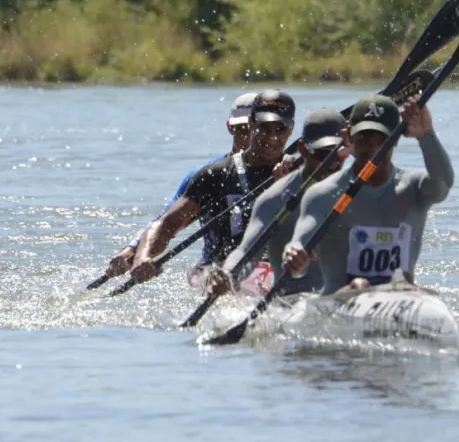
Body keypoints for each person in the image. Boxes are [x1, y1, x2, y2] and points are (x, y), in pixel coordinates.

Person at [281, 94, 453, 295]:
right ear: (349, 137)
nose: (373, 147)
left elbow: (444, 185)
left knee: (403, 283)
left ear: (396, 139)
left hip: (402, 295)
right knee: (359, 285)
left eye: (382, 140)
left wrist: (426, 135)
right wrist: (293, 255)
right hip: (340, 300)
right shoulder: (323, 194)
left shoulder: (414, 188)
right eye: (364, 137)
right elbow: (299, 250)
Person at [128, 89, 296, 283]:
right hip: (219, 274)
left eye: (280, 129)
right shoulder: (215, 175)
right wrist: (142, 257)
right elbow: (166, 225)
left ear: (291, 130)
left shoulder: (302, 174)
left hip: (278, 271)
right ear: (251, 123)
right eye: (264, 127)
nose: (271, 137)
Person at [103, 91, 256, 279]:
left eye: (256, 128)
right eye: (241, 129)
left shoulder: (291, 173)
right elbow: (166, 222)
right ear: (229, 127)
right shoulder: (208, 176)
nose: (249, 136)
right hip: (214, 273)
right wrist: (133, 252)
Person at [207, 108, 350, 298]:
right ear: (302, 150)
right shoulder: (274, 198)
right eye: (322, 155)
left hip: (348, 296)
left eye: (338, 155)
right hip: (293, 300)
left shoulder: (360, 192)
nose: (332, 164)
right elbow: (246, 251)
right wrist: (228, 274)